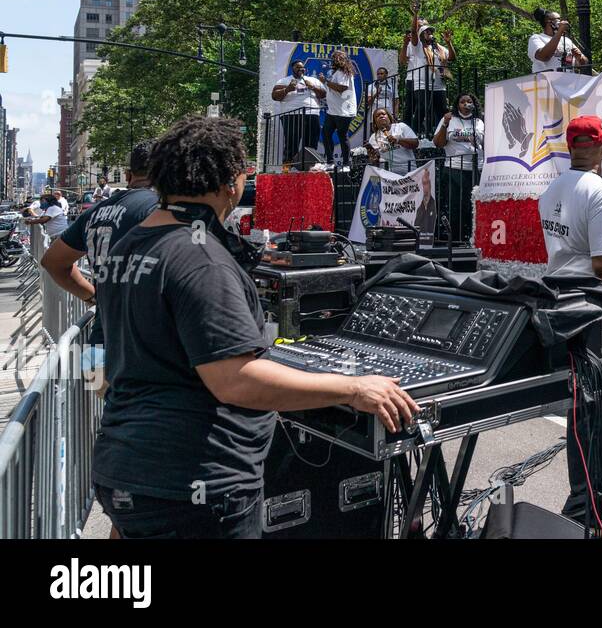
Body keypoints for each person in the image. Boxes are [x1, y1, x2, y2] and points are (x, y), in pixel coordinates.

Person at [91, 116, 417, 539]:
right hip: (194, 486)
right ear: (231, 181)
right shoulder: (200, 259)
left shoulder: (130, 245)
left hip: (128, 467)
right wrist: (355, 388)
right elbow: (235, 381)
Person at [538, 116, 602, 536]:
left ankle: (599, 487)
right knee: (597, 411)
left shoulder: (553, 189)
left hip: (570, 308)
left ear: (570, 146)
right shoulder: (601, 196)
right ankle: (587, 506)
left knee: (590, 408)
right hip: (596, 315)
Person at [41, 142, 157, 356]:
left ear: (128, 175)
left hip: (99, 343)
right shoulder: (159, 209)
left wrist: (91, 297)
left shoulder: (95, 212)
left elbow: (53, 261)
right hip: (141, 348)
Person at [434, 93, 485, 243]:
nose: (466, 104)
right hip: (454, 168)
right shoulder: (450, 120)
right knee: (456, 206)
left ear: (474, 104)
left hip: (477, 168)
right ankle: (456, 240)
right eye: (462, 101)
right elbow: (438, 143)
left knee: (473, 205)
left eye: (469, 101)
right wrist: (444, 123)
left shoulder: (479, 122)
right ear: (457, 105)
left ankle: (474, 238)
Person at [402, 1, 454, 138]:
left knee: (442, 111)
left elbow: (452, 57)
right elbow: (413, 31)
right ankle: (412, 135)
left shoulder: (439, 48)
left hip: (438, 85)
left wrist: (448, 42)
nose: (429, 32)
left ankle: (440, 135)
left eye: (431, 31)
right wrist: (416, 13)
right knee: (422, 109)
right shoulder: (417, 46)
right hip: (421, 83)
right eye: (426, 31)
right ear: (420, 34)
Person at [271, 60, 326, 165]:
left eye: (302, 67)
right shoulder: (284, 81)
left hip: (312, 114)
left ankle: (309, 168)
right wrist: (287, 89)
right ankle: (288, 168)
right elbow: (274, 96)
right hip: (291, 115)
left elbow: (323, 94)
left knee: (311, 144)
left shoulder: (312, 80)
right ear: (292, 69)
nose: (301, 69)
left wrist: (313, 87)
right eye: (297, 67)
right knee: (291, 143)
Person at [320, 49, 358, 167]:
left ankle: (346, 164)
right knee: (326, 133)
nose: (335, 59)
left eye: (339, 57)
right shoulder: (337, 73)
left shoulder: (343, 72)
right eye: (334, 58)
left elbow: (342, 88)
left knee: (342, 136)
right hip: (333, 111)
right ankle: (330, 162)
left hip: (343, 112)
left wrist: (325, 81)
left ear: (343, 60)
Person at [528, 9, 588, 73]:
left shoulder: (567, 40)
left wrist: (580, 58)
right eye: (558, 19)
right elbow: (544, 57)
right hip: (545, 80)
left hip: (568, 80)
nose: (561, 21)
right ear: (548, 21)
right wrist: (560, 31)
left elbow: (583, 64)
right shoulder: (536, 38)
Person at [365, 107, 419, 174]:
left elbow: (416, 144)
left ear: (389, 118)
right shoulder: (374, 137)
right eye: (377, 116)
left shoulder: (401, 127)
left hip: (407, 170)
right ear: (375, 123)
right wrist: (374, 157)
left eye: (383, 114)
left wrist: (398, 140)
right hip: (387, 175)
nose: (381, 116)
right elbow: (375, 162)